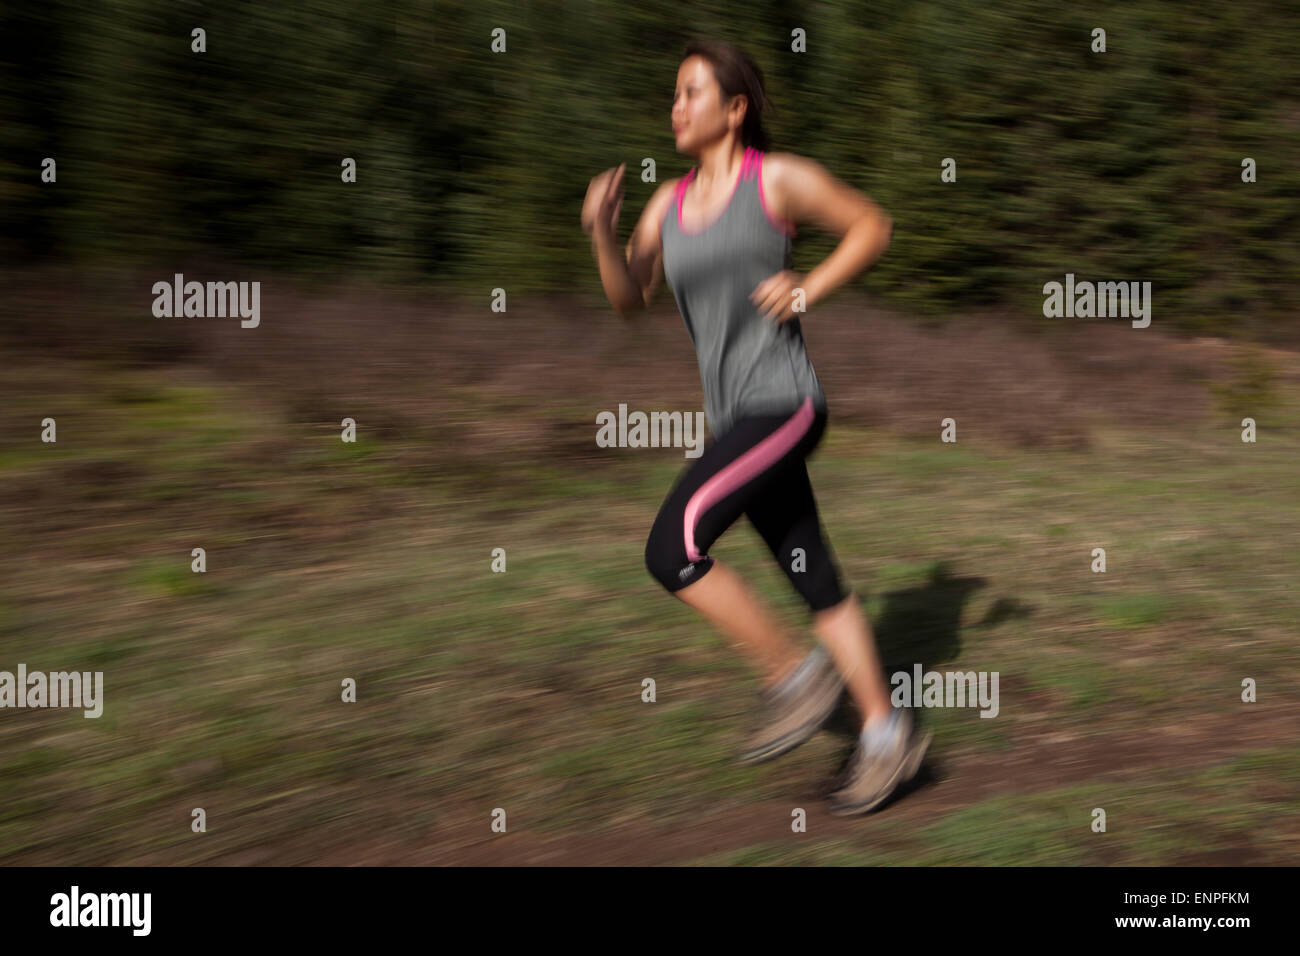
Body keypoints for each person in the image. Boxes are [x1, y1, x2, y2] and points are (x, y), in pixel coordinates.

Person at [582, 38, 929, 815]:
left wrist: (809, 287)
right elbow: (629, 300)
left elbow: (873, 224)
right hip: (737, 418)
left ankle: (795, 680)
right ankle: (885, 737)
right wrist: (602, 236)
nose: (675, 106)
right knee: (818, 580)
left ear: (734, 110)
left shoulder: (775, 180)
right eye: (673, 93)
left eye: (691, 92)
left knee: (672, 547)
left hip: (785, 403)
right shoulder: (664, 206)